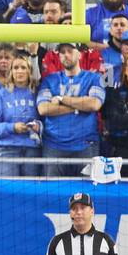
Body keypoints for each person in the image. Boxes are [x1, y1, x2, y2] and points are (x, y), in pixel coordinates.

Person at [36, 42, 105, 176]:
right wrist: (79, 105)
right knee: (52, 194)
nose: (66, 55)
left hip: (86, 145)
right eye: (62, 52)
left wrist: (62, 99)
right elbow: (43, 109)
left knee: (85, 194)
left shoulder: (94, 78)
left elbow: (94, 104)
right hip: (53, 145)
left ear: (79, 54)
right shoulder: (49, 80)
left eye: (70, 50)